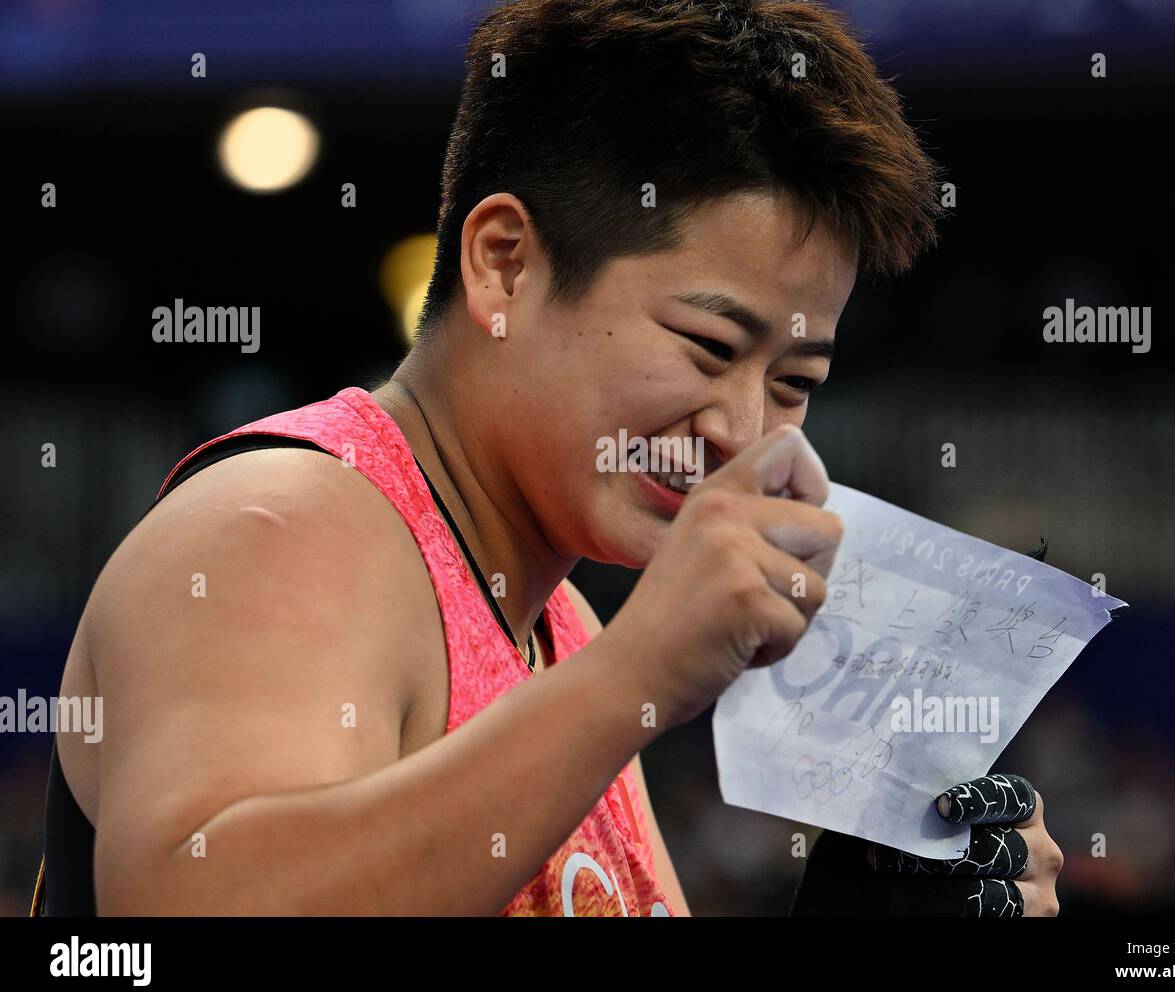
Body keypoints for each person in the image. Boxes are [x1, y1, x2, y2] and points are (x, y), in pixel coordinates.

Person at [33, 0, 1061, 916]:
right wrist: (634, 675)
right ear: (505, 265)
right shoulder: (283, 524)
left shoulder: (566, 631)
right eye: (710, 347)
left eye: (794, 381)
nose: (745, 430)